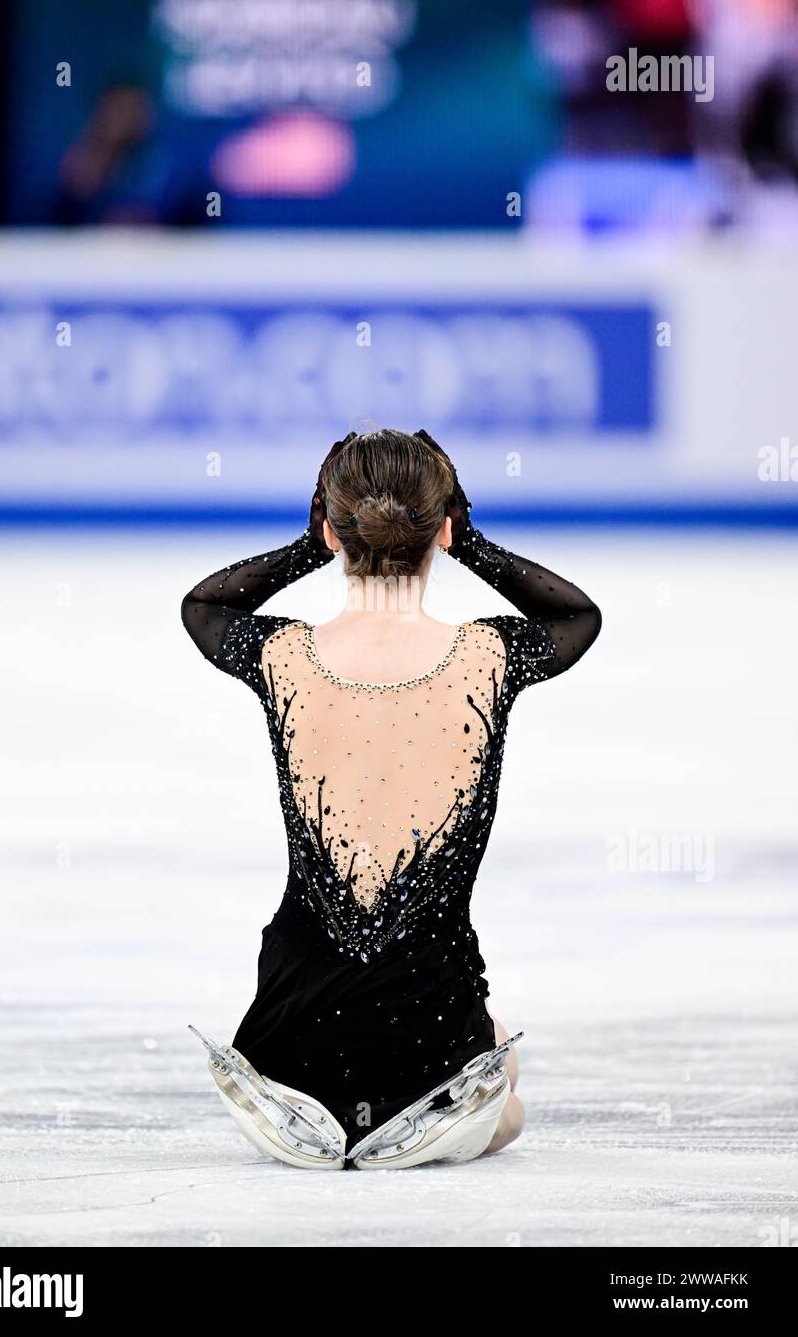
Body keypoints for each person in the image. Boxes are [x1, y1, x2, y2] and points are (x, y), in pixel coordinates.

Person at [182, 429, 602, 1169]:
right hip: (429, 1020)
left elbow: (203, 606)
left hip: (290, 1028)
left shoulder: (279, 652)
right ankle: (426, 1110)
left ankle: (311, 1107)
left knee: (482, 1046)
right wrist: (469, 543)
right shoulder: (491, 653)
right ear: (442, 528)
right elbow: (577, 617)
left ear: (328, 528)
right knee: (511, 1100)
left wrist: (308, 547)